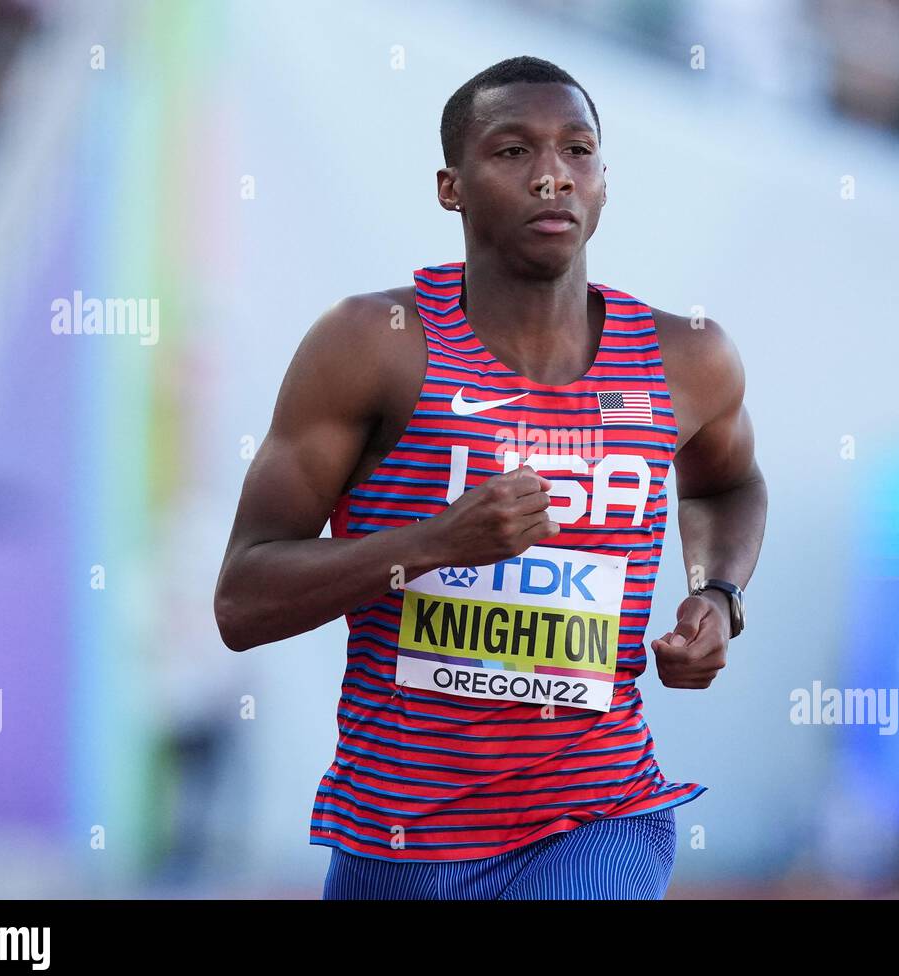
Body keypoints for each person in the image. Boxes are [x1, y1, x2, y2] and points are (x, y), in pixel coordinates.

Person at [214, 55, 767, 900]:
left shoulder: (685, 357)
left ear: (604, 182)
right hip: (399, 830)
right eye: (513, 152)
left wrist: (717, 595)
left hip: (597, 813)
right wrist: (438, 543)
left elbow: (728, 485)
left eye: (577, 151)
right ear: (451, 187)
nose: (552, 175)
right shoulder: (374, 344)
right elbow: (244, 601)